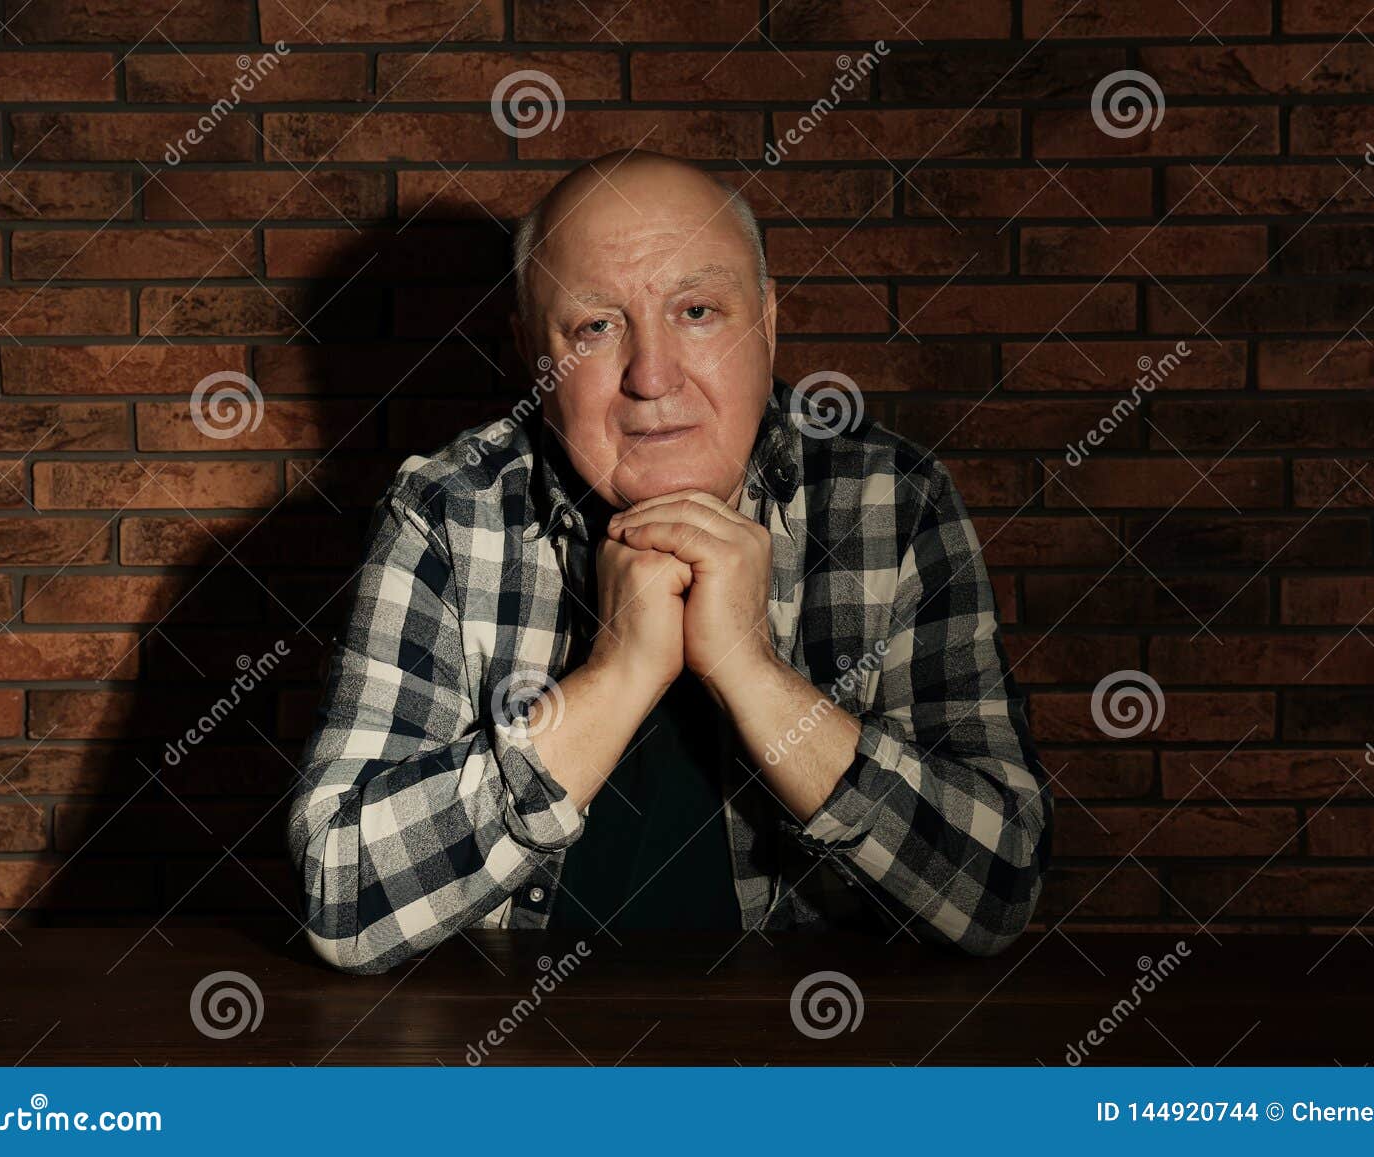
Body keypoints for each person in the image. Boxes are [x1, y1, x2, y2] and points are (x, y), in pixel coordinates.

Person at [287, 149, 1052, 974]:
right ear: (530, 357)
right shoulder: (446, 511)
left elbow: (997, 893)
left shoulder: (894, 503)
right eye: (595, 326)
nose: (650, 377)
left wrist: (750, 671)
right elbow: (341, 901)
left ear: (767, 320)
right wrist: (617, 674)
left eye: (696, 311)